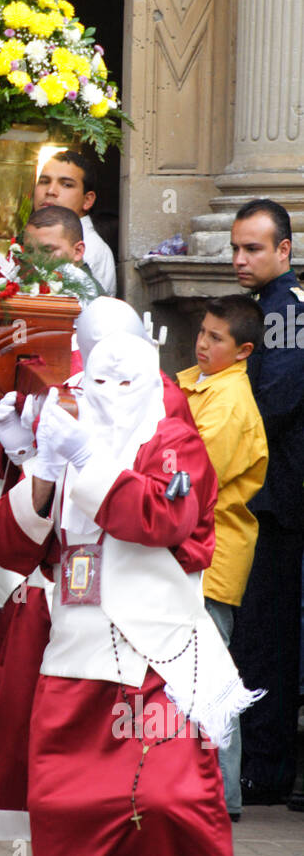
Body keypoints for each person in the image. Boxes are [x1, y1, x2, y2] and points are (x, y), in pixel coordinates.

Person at [0, 332, 248, 856]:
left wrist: (87, 458)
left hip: (155, 651)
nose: (110, 394)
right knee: (63, 806)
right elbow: (13, 546)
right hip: (74, 651)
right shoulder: (69, 438)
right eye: (98, 380)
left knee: (161, 802)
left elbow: (162, 518)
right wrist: (38, 466)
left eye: (125, 380)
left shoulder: (173, 442)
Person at [177, 296, 268, 819]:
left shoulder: (231, 402)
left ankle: (224, 796)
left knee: (211, 678)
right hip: (196, 550)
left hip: (213, 553)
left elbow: (192, 475)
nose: (204, 344)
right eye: (203, 332)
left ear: (244, 351)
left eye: (217, 339)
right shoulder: (200, 381)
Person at [229, 199, 304, 804]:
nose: (239, 259)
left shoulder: (289, 313)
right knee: (255, 634)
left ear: (285, 250)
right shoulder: (266, 309)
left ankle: (266, 767)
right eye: (235, 248)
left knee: (266, 637)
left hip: (278, 501)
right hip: (263, 496)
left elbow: (271, 406)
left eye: (253, 248)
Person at [33, 150, 116, 296]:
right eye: (44, 182)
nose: (50, 191)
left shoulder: (91, 248)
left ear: (87, 200)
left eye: (66, 184)